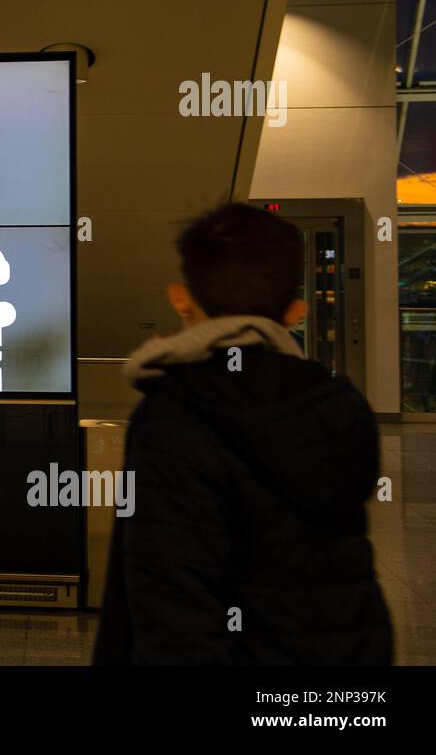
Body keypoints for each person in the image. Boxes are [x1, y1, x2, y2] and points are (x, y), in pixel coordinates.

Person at [93, 203, 392, 664]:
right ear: (295, 311)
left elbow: (172, 603)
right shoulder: (338, 407)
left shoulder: (175, 415)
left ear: (180, 298)